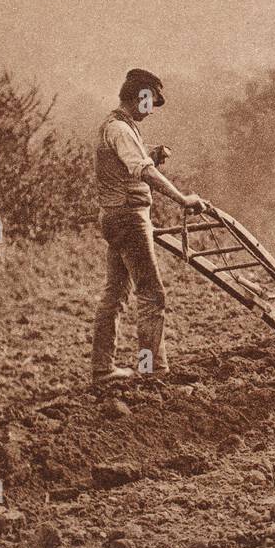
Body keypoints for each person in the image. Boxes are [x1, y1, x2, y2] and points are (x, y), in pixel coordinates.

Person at [92, 68, 208, 384]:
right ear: (140, 96)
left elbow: (130, 166)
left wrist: (153, 155)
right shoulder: (120, 130)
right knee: (152, 294)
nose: (151, 108)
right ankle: (151, 371)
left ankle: (103, 369)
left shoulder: (115, 127)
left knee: (115, 293)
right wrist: (182, 198)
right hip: (130, 219)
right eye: (150, 101)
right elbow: (142, 171)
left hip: (114, 217)